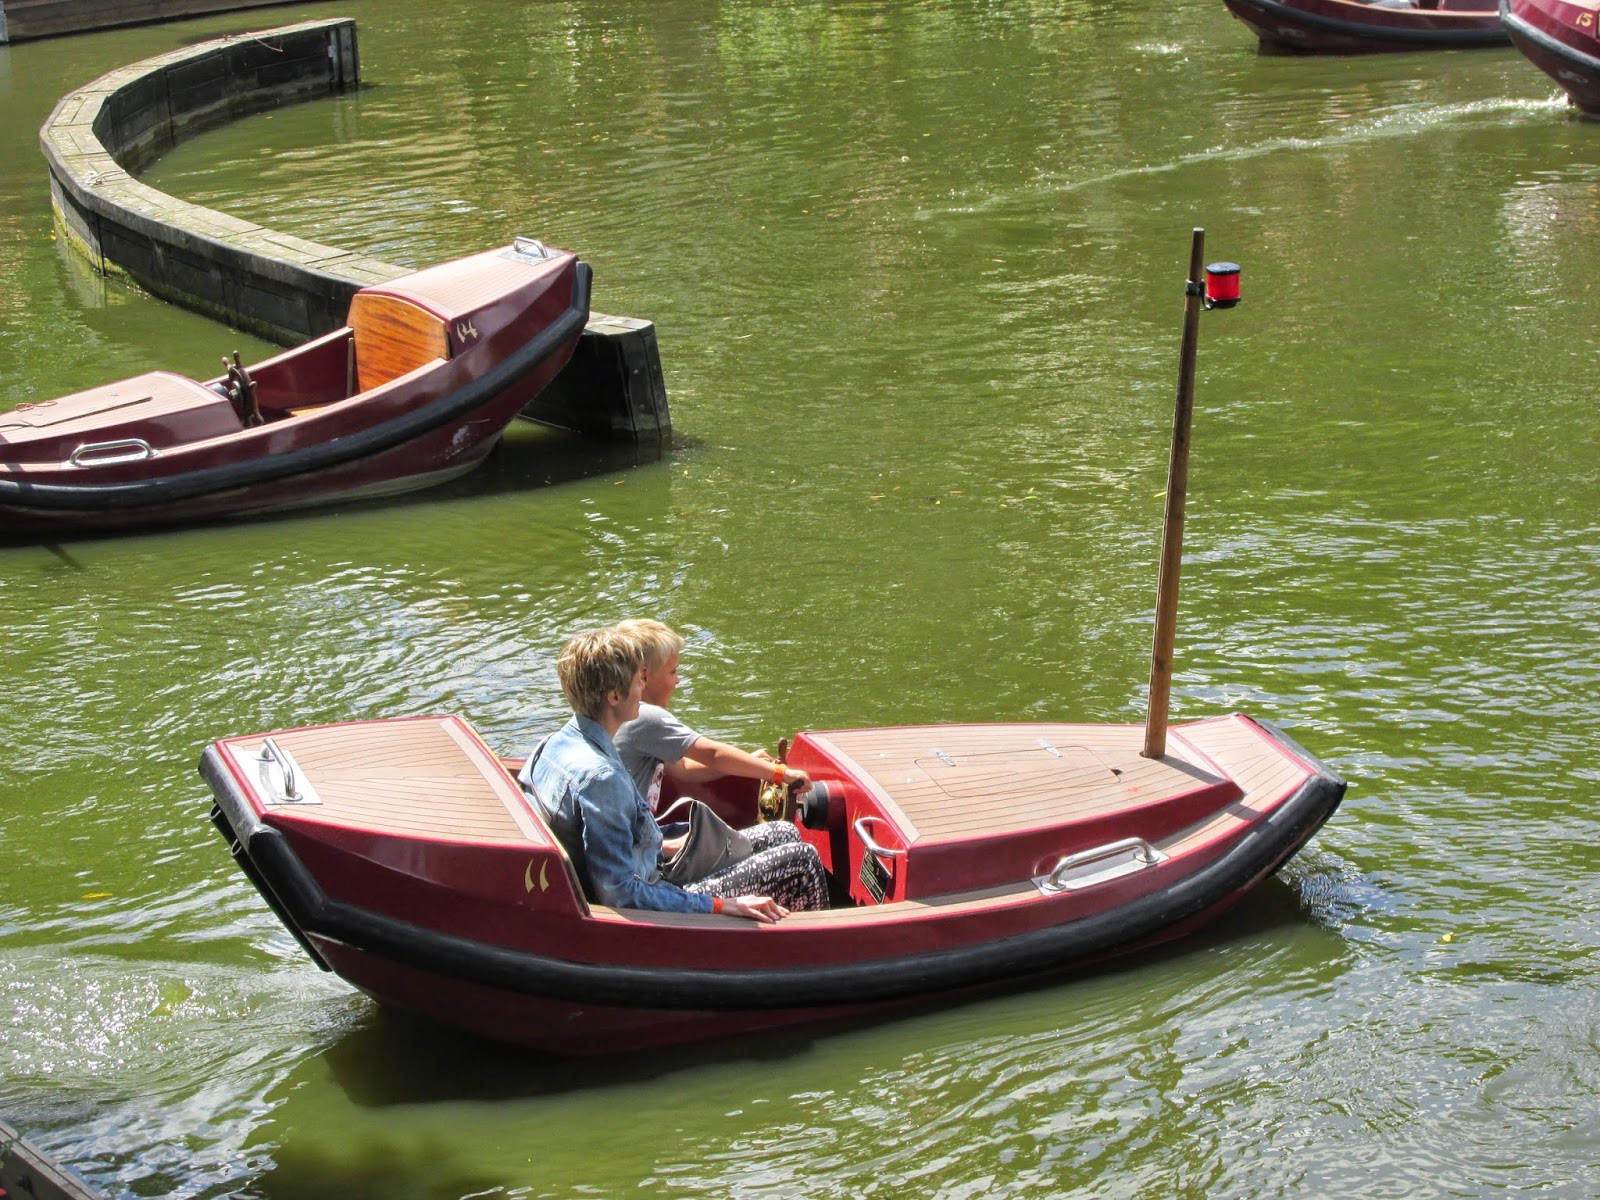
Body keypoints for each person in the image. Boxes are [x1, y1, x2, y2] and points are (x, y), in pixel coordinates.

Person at [518, 627, 825, 923]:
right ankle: (813, 954)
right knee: (802, 861)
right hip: (656, 897)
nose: (642, 687)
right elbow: (622, 893)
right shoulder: (601, 778)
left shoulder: (552, 745)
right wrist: (722, 905)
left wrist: (662, 845)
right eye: (637, 681)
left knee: (783, 834)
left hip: (650, 863)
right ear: (614, 696)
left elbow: (608, 844)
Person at [612, 617, 812, 812]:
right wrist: (778, 773)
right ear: (645, 676)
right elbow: (713, 754)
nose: (678, 681)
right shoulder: (646, 717)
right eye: (673, 672)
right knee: (789, 837)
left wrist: (753, 763)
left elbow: (684, 768)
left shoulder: (617, 711)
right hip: (637, 844)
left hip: (633, 837)